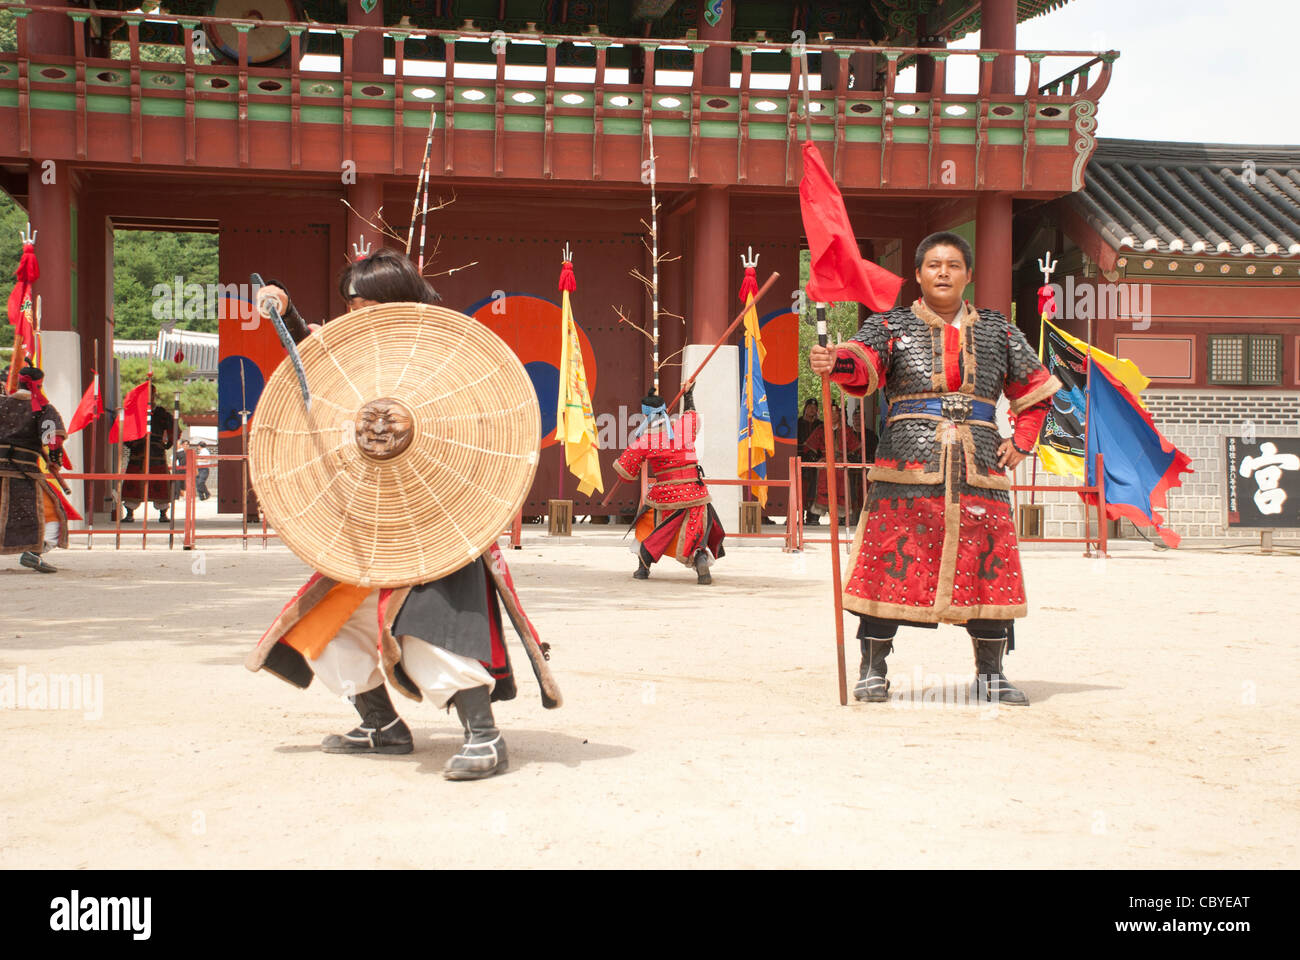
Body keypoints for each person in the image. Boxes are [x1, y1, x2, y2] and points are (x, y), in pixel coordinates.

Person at [247, 248, 554, 780]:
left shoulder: (444, 357)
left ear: (394, 302)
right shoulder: (353, 358)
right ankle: (381, 727)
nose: (352, 317)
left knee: (427, 630)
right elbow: (316, 364)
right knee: (329, 625)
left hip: (442, 523)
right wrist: (288, 312)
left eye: (363, 305)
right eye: (349, 307)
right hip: (371, 524)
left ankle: (484, 737)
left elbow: (483, 426)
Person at [809, 231, 1060, 706]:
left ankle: (991, 674)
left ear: (967, 274)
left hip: (980, 466)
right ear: (920, 274)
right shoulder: (889, 326)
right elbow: (862, 364)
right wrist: (834, 360)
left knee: (987, 567)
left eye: (953, 265)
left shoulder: (998, 330)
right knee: (888, 564)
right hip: (906, 465)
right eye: (933, 265)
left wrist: (1022, 442)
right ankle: (872, 670)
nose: (943, 272)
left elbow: (1037, 390)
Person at [614, 387, 725, 584]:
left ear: (645, 414)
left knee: (646, 524)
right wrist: (688, 395)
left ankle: (643, 566)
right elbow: (691, 414)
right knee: (695, 530)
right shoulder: (683, 428)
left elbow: (625, 472)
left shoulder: (645, 440)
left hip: (666, 495)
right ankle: (700, 557)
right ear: (665, 410)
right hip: (695, 492)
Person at [0, 365, 69, 573]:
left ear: (18, 382)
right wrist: (55, 459)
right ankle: (34, 553)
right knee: (53, 513)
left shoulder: (1, 403)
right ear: (40, 384)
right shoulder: (43, 408)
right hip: (24, 472)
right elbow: (53, 441)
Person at [121, 384, 174, 522]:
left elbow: (173, 427)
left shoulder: (161, 413)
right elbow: (125, 431)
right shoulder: (133, 412)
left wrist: (170, 442)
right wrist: (131, 443)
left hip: (156, 454)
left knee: (159, 484)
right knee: (133, 485)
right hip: (137, 454)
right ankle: (129, 513)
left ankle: (163, 513)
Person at [804, 400, 862, 521]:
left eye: (836, 413)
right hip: (825, 464)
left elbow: (856, 449)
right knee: (819, 479)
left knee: (843, 481)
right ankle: (814, 515)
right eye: (831, 413)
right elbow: (808, 447)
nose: (834, 416)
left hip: (841, 463)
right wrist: (817, 460)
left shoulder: (847, 430)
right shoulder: (820, 429)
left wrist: (848, 459)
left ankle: (841, 516)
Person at [796, 399, 822, 524]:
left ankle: (812, 516)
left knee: (815, 489)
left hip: (816, 462)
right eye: (810, 407)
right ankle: (799, 517)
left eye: (814, 407)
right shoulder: (798, 423)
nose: (812, 409)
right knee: (800, 489)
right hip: (800, 459)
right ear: (805, 408)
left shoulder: (820, 425)